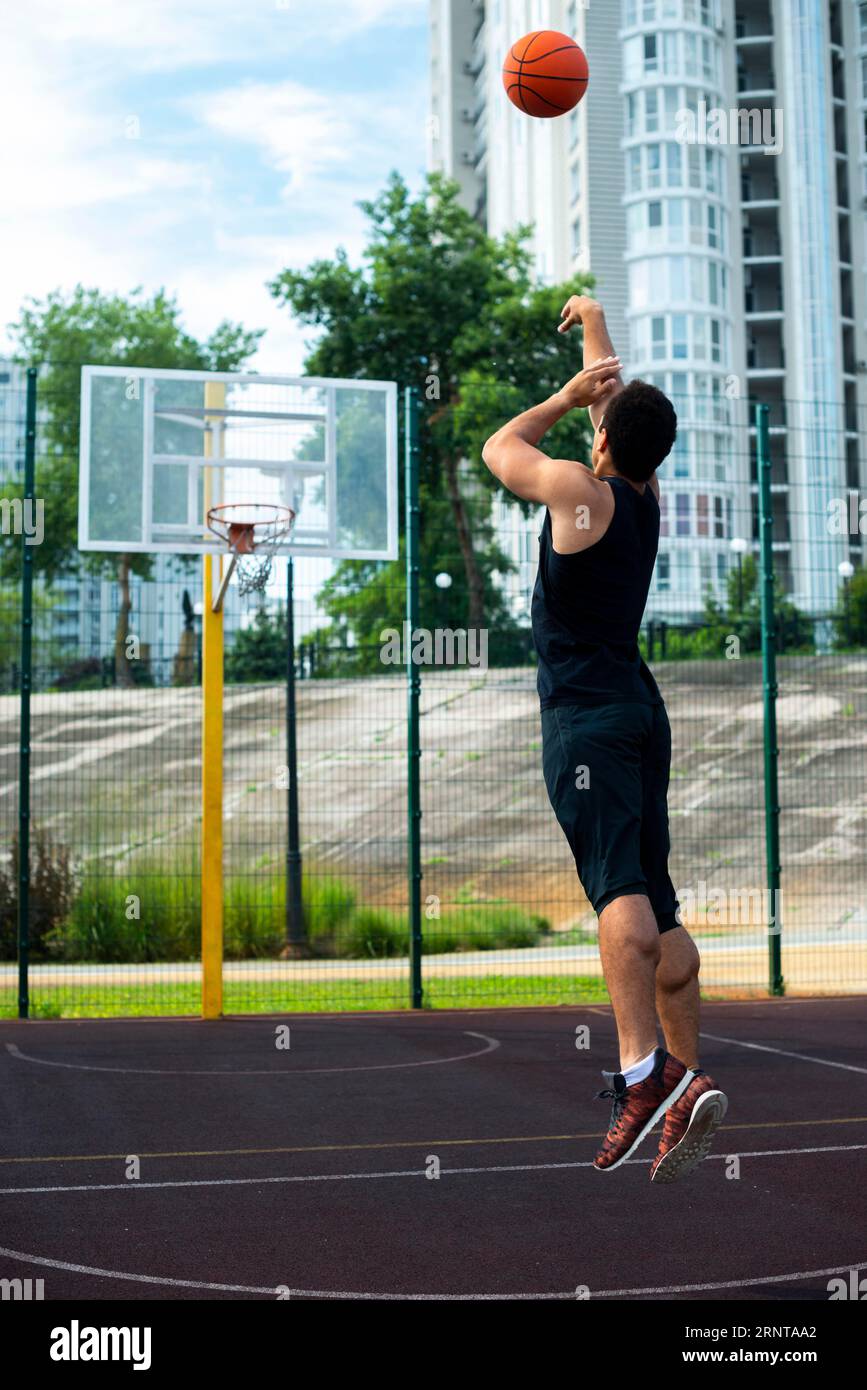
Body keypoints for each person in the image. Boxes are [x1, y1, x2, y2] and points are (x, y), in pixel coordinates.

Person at [482, 293, 727, 1183]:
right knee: (658, 908)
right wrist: (592, 324)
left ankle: (640, 1073)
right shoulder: (642, 496)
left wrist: (556, 394)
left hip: (586, 718)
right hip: (640, 712)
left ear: (599, 441)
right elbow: (616, 402)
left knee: (616, 893)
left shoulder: (577, 492)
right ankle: (689, 1075)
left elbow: (499, 449)